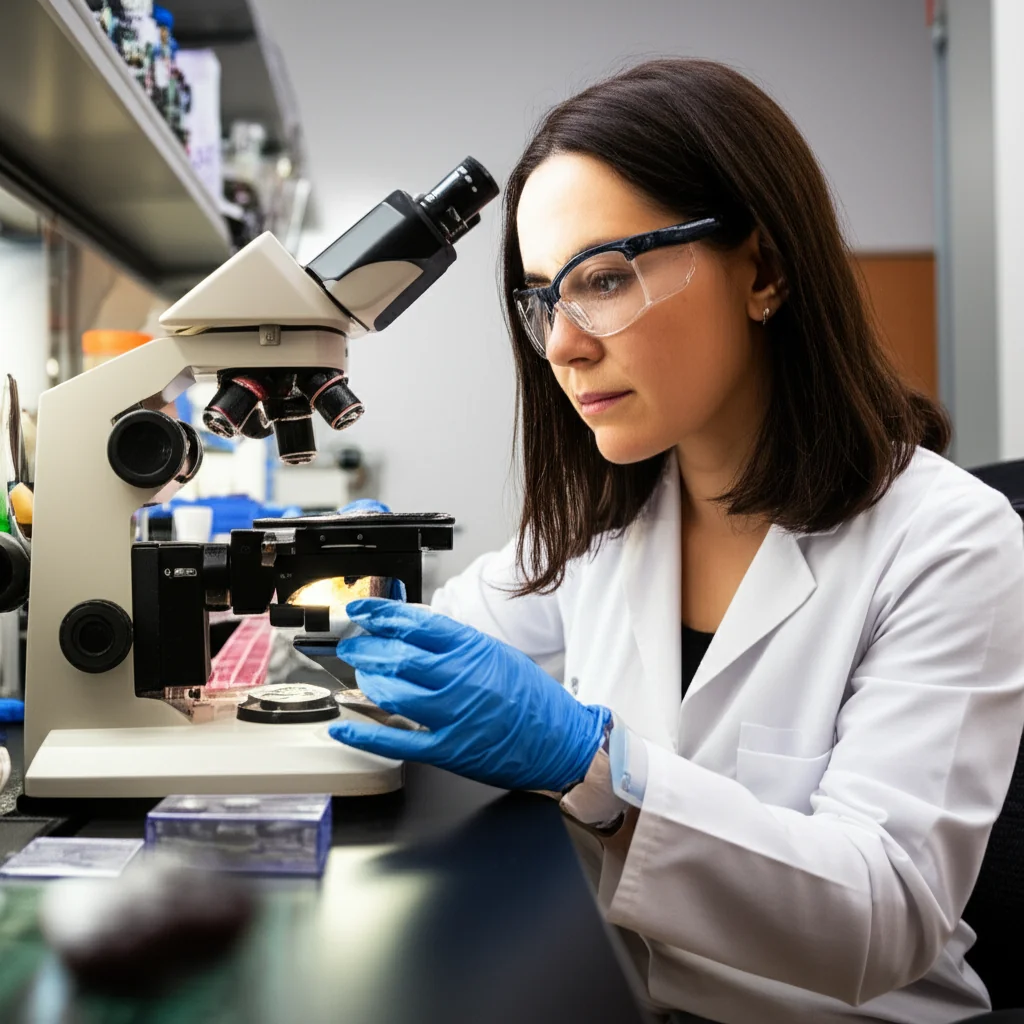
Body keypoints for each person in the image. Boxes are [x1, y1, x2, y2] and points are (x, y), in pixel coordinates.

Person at [327, 59, 1024, 1024]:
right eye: (541, 299)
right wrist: (329, 607)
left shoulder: (948, 541)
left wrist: (596, 769)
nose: (563, 342)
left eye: (603, 279)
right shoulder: (602, 523)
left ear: (765, 272)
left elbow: (887, 913)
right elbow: (427, 649)